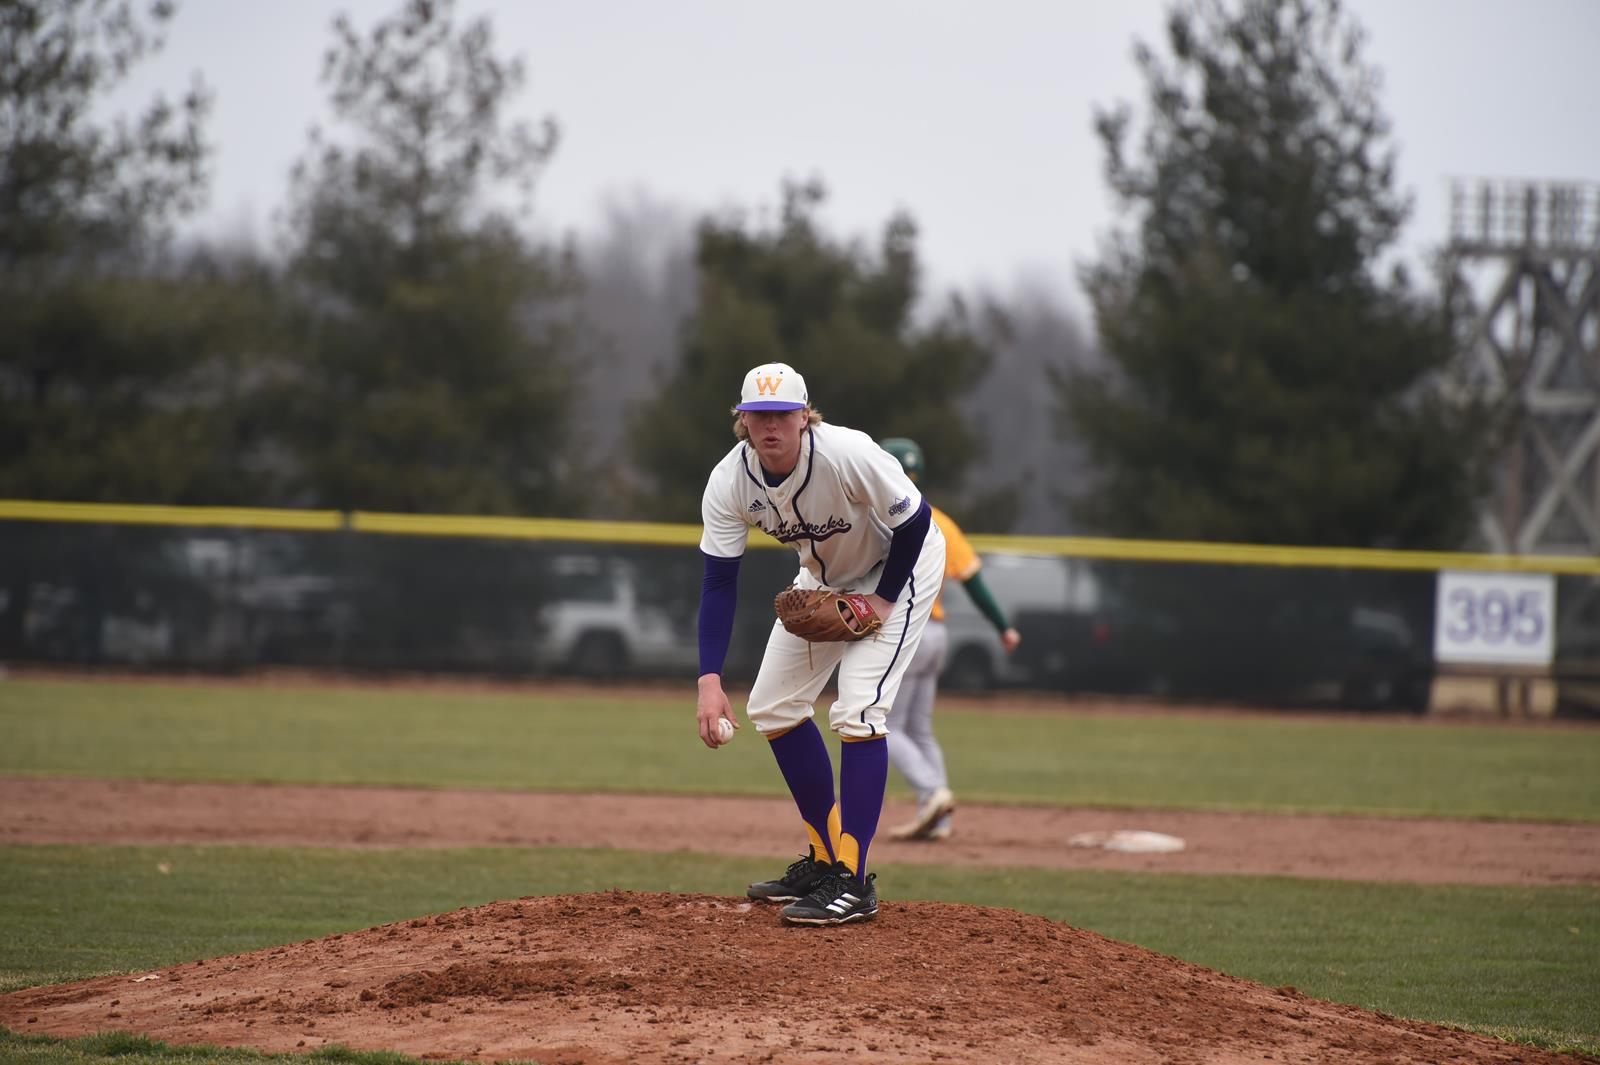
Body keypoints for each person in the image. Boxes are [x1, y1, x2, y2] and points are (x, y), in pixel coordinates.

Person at [695, 362, 946, 926]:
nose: (770, 426)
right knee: (773, 706)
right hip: (826, 577)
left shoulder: (846, 453)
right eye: (757, 415)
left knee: (858, 709)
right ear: (742, 421)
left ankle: (854, 882)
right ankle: (825, 857)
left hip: (899, 569)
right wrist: (709, 680)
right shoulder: (730, 481)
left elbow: (915, 521)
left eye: (782, 413)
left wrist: (881, 602)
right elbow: (718, 582)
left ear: (805, 416)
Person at [877, 437, 1021, 842]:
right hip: (938, 632)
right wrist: (1003, 627)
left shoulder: (876, 517)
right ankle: (938, 817)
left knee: (882, 725)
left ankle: (932, 793)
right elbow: (973, 581)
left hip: (905, 631)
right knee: (919, 728)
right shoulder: (939, 518)